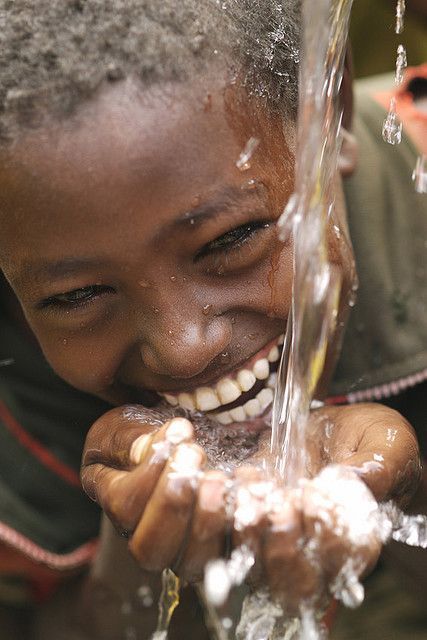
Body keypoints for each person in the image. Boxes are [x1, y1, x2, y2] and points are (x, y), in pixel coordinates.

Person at [0, 2, 424, 638]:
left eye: (232, 241)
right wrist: (137, 544)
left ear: (325, 120)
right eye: (77, 297)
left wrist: (406, 506)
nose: (183, 350)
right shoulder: (19, 378)